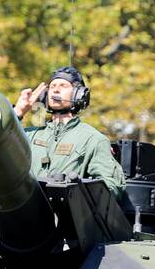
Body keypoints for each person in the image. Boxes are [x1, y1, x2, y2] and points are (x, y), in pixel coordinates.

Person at [12, 66, 126, 199]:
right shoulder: (29, 135)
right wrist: (18, 113)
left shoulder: (92, 139)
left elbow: (111, 188)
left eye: (63, 86)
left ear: (78, 94)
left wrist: (76, 194)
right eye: (52, 86)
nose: (55, 89)